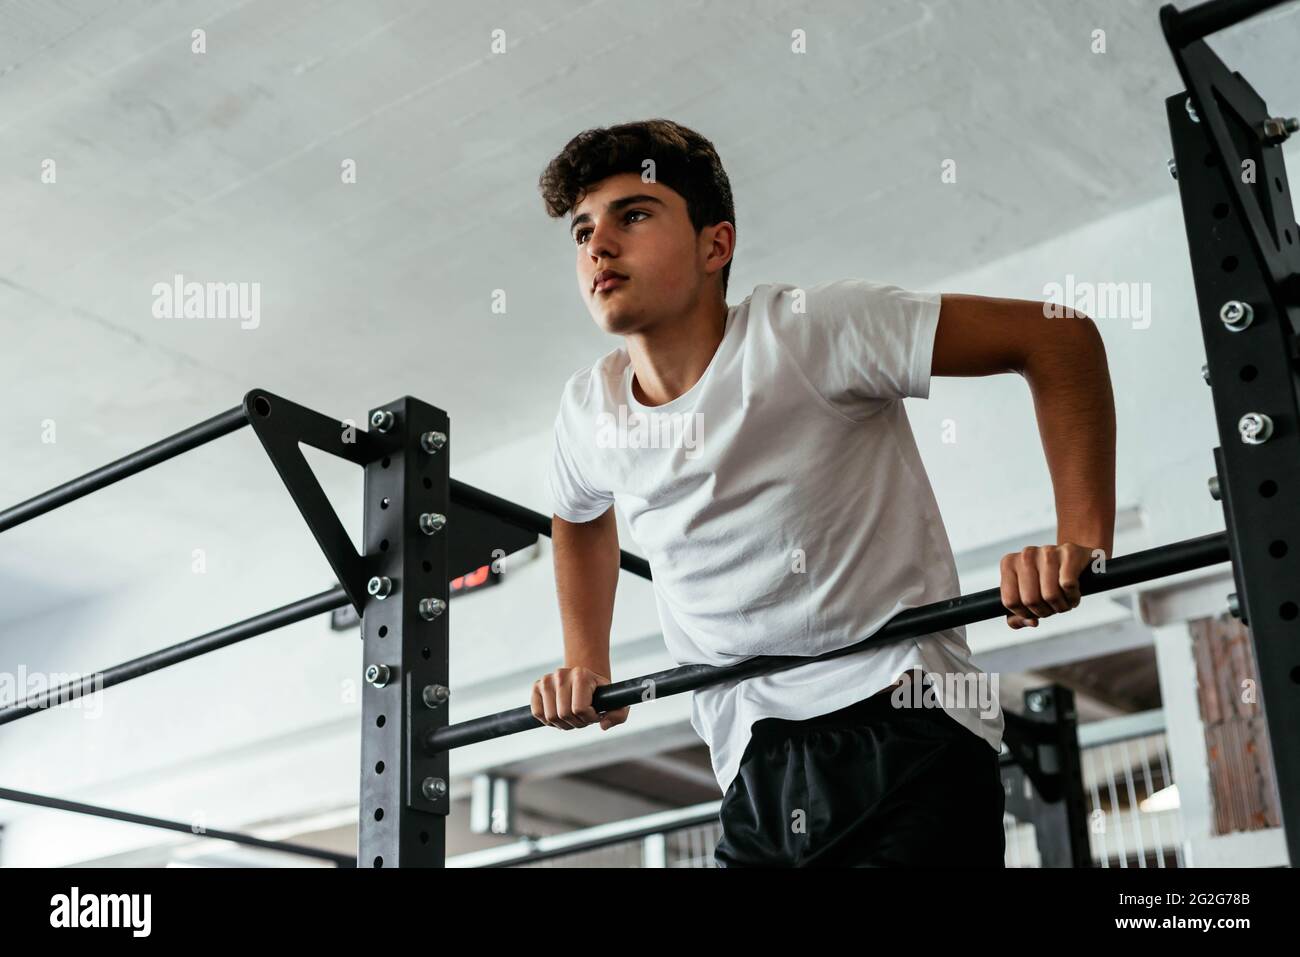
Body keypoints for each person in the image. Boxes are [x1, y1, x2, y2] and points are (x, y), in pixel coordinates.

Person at [529, 119, 1116, 867]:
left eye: (633, 215)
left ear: (716, 245)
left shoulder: (810, 332)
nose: (598, 246)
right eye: (582, 232)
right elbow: (578, 515)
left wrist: (1081, 543)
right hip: (752, 752)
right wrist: (587, 657)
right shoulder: (588, 410)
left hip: (909, 718)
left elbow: (1058, 338)